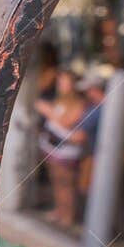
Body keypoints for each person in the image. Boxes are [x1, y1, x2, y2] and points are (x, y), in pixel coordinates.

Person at [36, 70, 89, 228]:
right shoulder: (59, 99)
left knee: (66, 184)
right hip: (51, 148)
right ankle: (59, 210)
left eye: (64, 82)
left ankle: (68, 215)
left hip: (66, 152)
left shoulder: (79, 103)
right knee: (56, 182)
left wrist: (49, 111)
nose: (61, 85)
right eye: (59, 81)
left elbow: (67, 122)